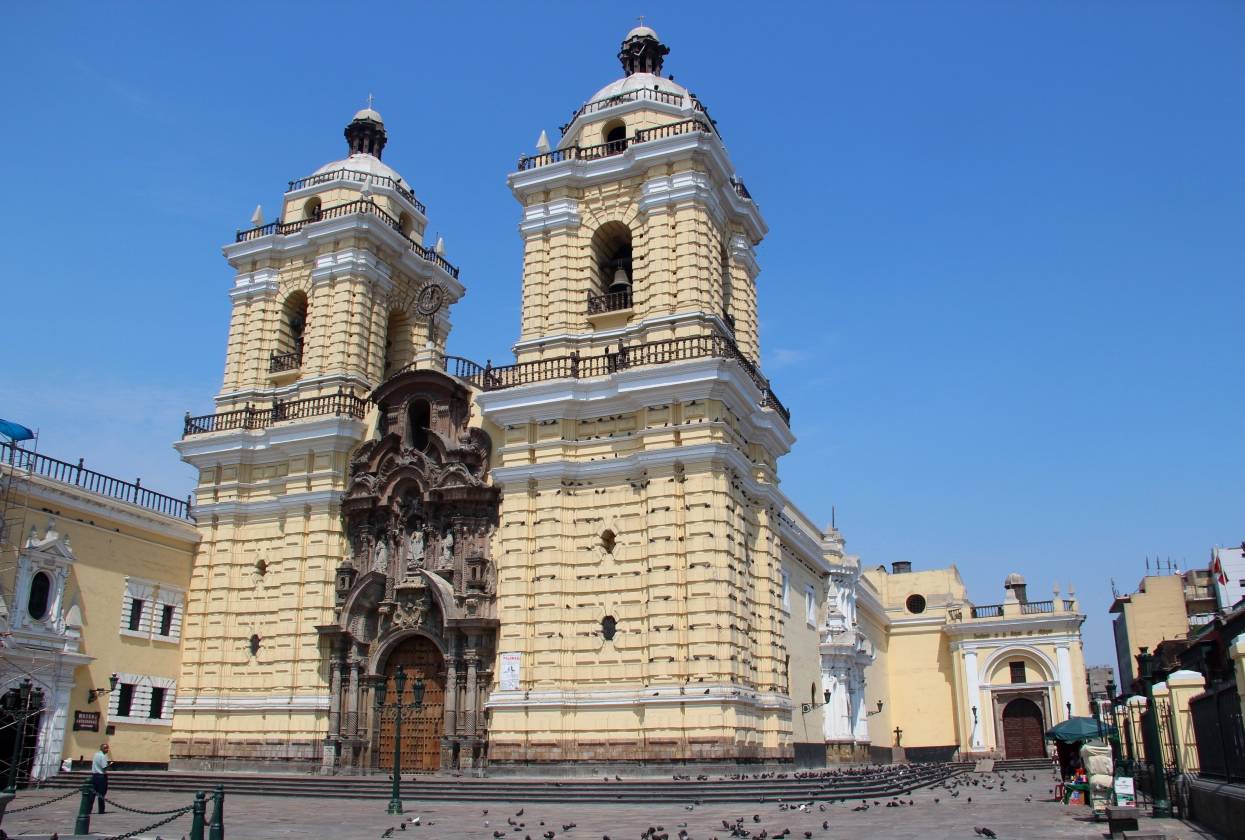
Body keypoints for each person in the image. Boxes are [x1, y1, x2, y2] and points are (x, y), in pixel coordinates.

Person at [91, 742, 111, 814]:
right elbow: (104, 767)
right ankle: (101, 810)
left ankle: (88, 809)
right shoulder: (103, 756)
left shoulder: (96, 755)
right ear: (102, 749)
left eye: (107, 748)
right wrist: (109, 765)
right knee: (101, 794)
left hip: (94, 776)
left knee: (92, 794)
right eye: (106, 748)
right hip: (101, 777)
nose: (107, 750)